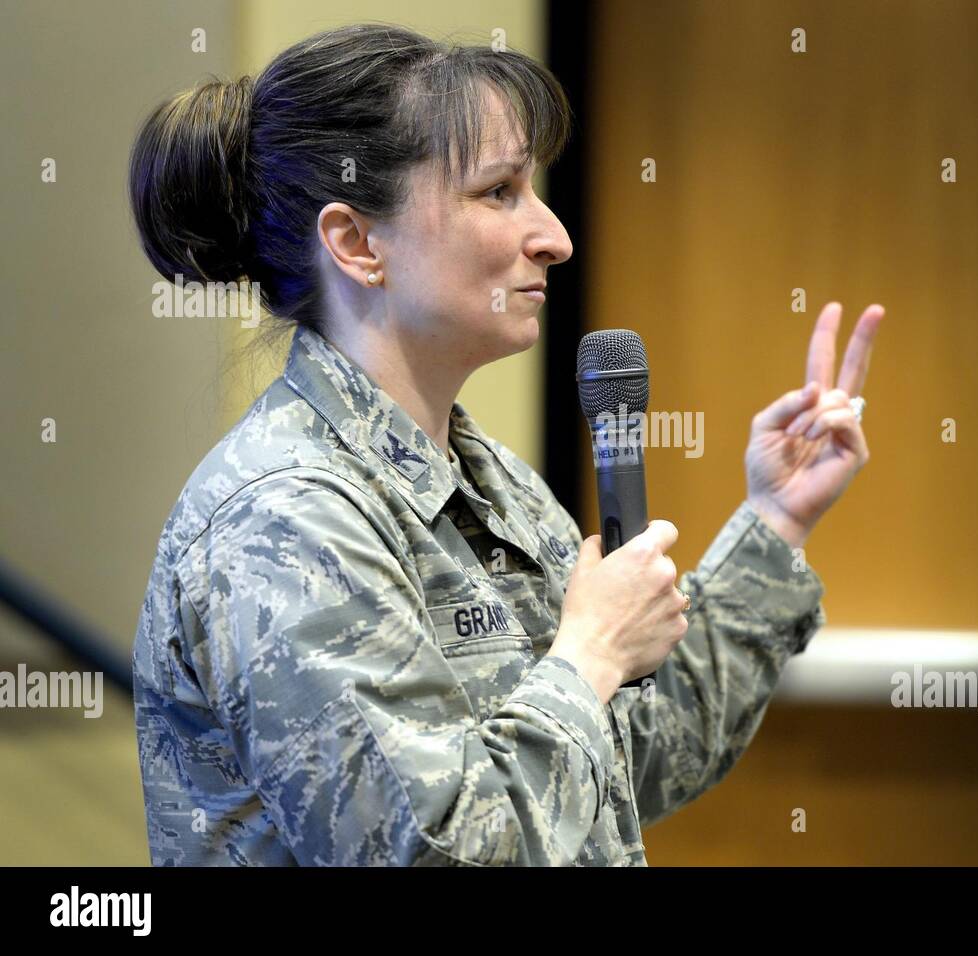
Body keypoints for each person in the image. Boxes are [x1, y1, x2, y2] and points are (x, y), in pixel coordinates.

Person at [128, 22, 883, 866]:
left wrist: (775, 519)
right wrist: (590, 654)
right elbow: (427, 853)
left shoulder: (493, 483)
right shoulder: (283, 515)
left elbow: (632, 761)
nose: (554, 236)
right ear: (355, 242)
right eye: (499, 191)